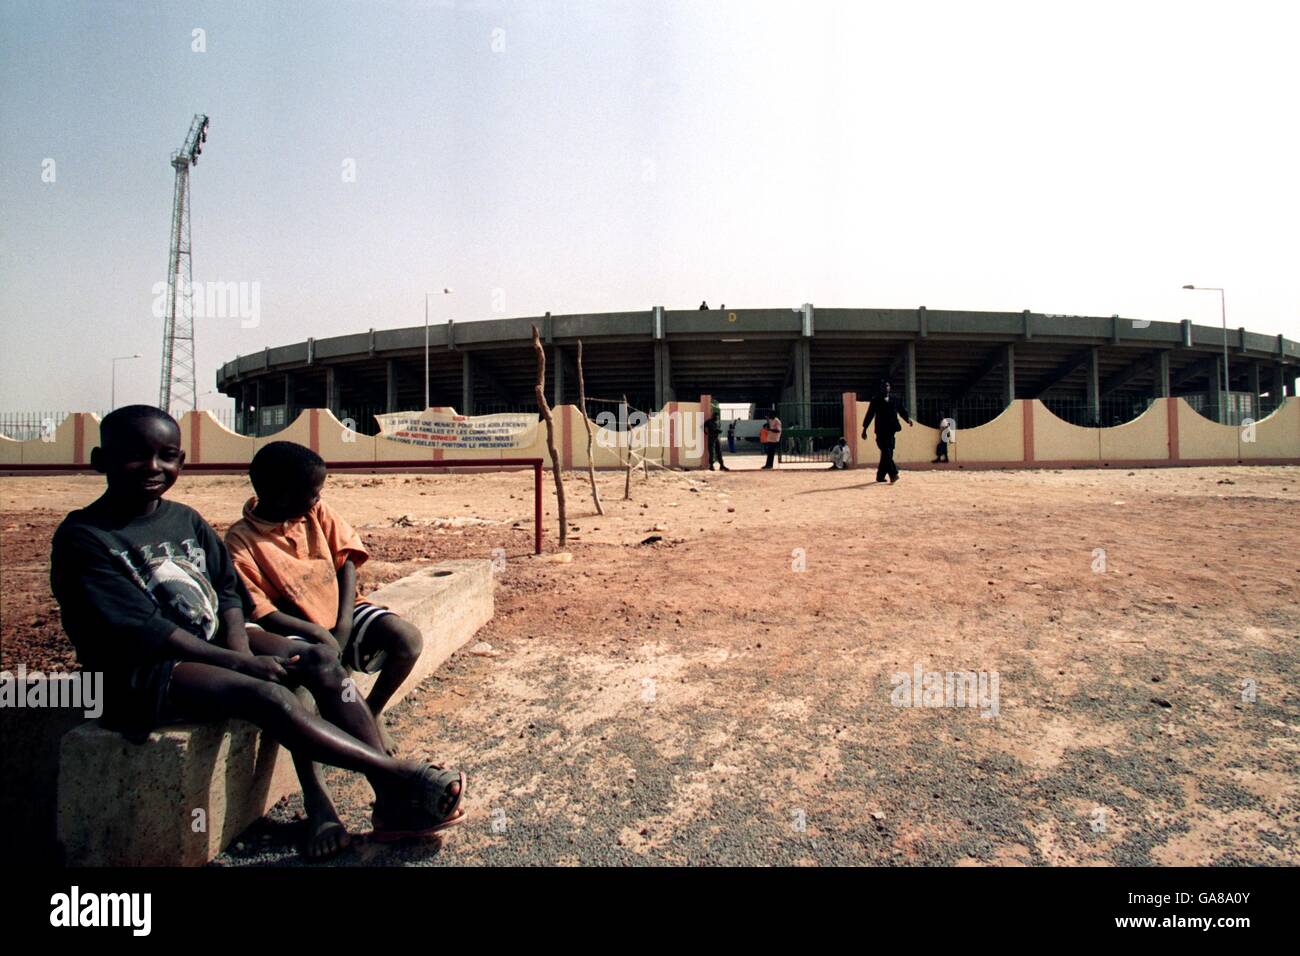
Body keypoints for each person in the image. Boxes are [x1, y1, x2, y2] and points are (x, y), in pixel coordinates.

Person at [49, 406, 465, 862]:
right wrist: (240, 663)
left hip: (208, 647)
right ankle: (396, 776)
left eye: (166, 456)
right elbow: (145, 630)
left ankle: (389, 805)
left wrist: (238, 645)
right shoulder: (84, 536)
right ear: (98, 459)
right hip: (144, 671)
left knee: (320, 661)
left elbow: (227, 592)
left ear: (181, 461)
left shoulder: (185, 519)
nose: (153, 467)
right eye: (135, 455)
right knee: (269, 694)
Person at [225, 440, 423, 757]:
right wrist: (318, 633)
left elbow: (346, 561)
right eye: (312, 492)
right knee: (303, 696)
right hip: (294, 628)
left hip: (341, 609)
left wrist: (343, 624)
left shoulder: (315, 512)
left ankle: (370, 712)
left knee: (408, 640)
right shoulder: (241, 541)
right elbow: (261, 610)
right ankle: (313, 780)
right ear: (280, 495)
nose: (318, 498)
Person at [861, 380, 913, 483]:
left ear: (890, 388)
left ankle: (880, 476)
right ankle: (893, 474)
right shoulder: (876, 400)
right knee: (886, 451)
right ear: (880, 388)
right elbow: (870, 415)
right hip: (880, 431)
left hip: (891, 430)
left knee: (888, 453)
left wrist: (908, 420)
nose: (885, 388)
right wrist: (865, 429)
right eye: (883, 386)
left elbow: (902, 411)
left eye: (887, 386)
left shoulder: (895, 399)